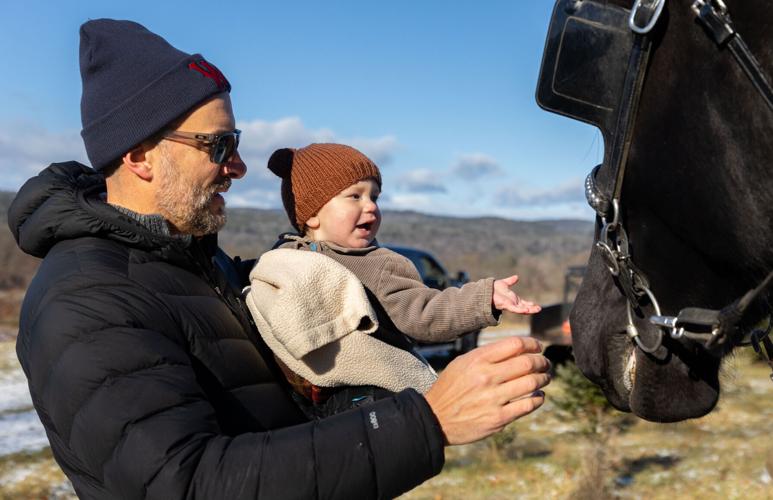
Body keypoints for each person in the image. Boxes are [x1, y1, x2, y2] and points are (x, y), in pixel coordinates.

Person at [8, 19, 551, 499]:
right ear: (140, 156)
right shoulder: (86, 301)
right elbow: (187, 483)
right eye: (217, 146)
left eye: (236, 141)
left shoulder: (204, 267)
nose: (238, 166)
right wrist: (425, 422)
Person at [246, 143, 542, 418]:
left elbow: (424, 311)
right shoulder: (283, 259)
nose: (371, 206)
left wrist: (483, 297)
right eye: (355, 196)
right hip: (297, 399)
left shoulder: (379, 265)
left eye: (374, 197)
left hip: (365, 397)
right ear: (312, 215)